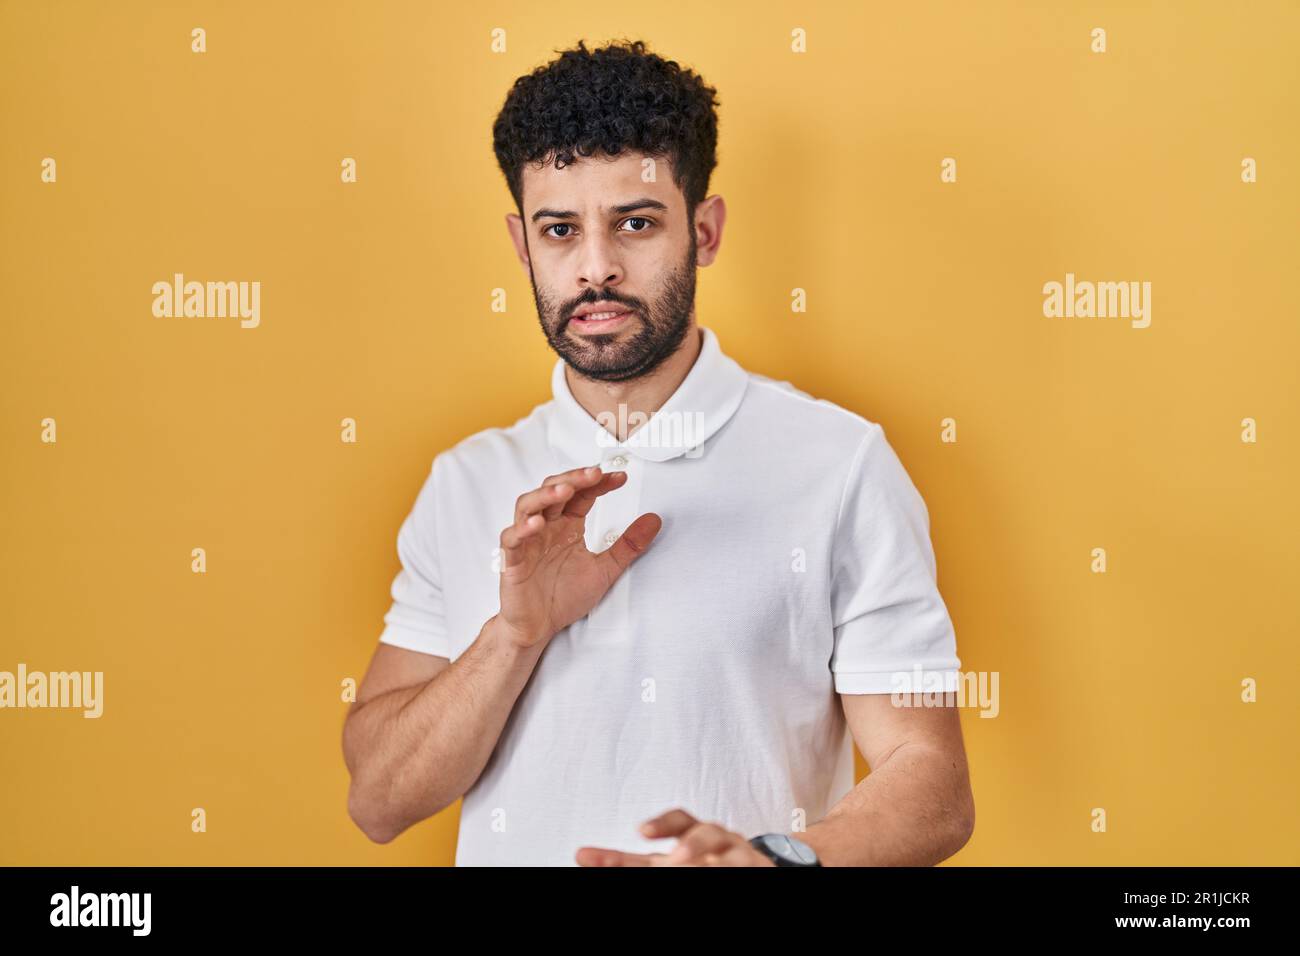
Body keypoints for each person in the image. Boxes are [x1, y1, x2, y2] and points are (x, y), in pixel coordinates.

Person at [342, 38, 974, 866]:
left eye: (635, 223)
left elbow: (931, 783)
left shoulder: (840, 463)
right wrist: (515, 636)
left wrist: (779, 859)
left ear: (703, 231)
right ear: (522, 246)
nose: (595, 269)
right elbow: (379, 800)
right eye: (560, 230)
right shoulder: (465, 481)